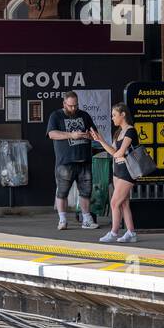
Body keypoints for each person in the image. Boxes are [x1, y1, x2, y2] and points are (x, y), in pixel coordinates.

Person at [46, 91, 98, 230]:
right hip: (65, 161)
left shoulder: (84, 115)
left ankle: (86, 219)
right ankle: (62, 220)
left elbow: (95, 134)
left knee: (86, 192)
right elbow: (51, 134)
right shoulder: (56, 116)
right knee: (62, 192)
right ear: (64, 103)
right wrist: (71, 135)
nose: (73, 108)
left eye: (75, 105)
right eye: (70, 106)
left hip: (84, 160)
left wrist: (89, 135)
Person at [92, 102, 138, 244]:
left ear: (123, 114)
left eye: (114, 115)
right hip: (118, 170)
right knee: (123, 203)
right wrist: (100, 140)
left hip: (128, 172)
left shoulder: (130, 131)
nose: (112, 118)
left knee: (114, 203)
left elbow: (120, 152)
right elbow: (114, 152)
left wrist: (118, 154)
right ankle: (131, 233)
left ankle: (114, 232)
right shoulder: (118, 132)